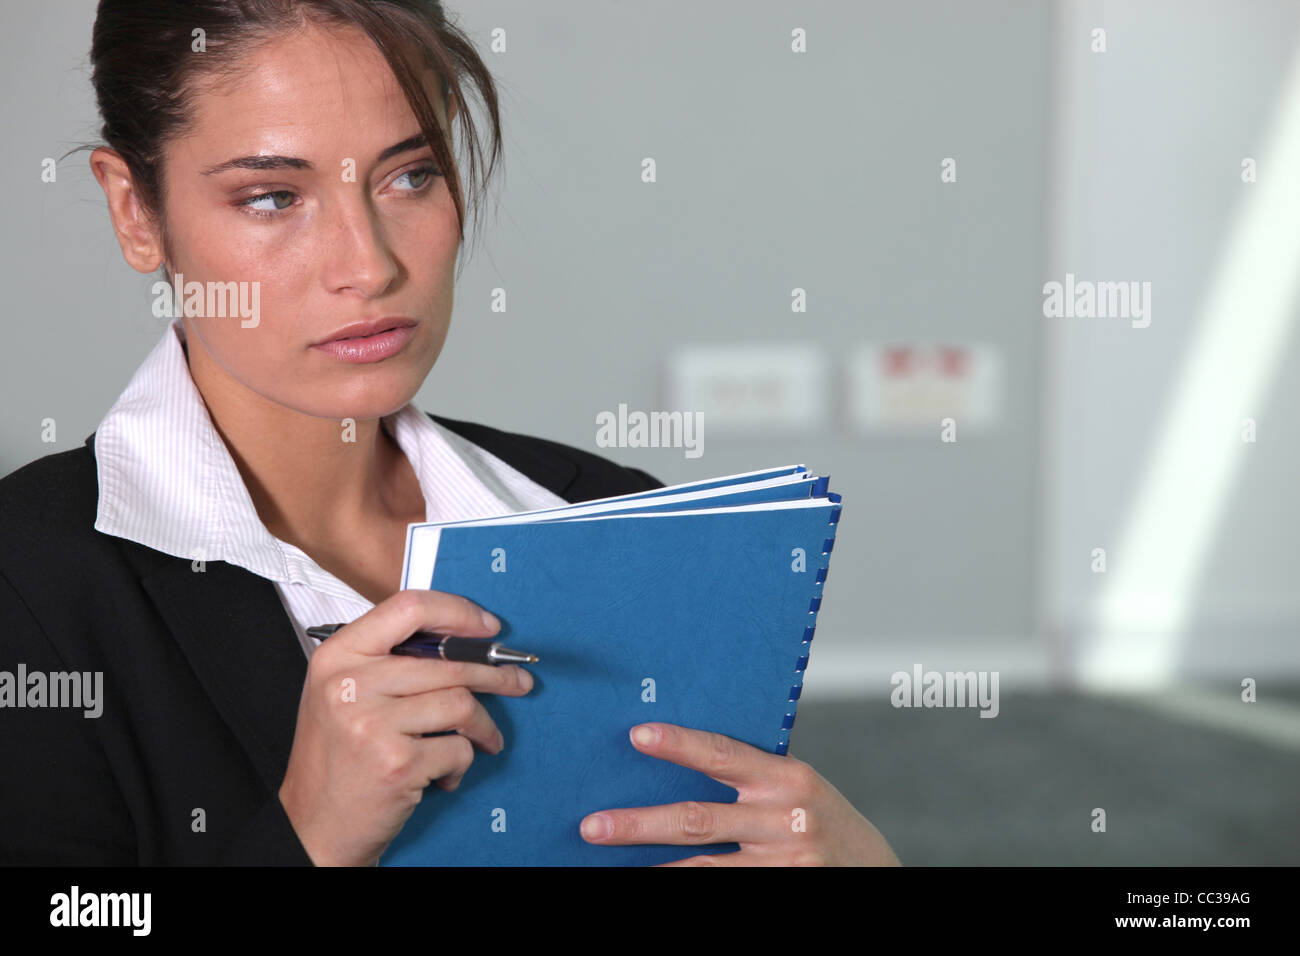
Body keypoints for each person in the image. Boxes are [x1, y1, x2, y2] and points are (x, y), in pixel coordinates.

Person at [0, 0, 899, 866]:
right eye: (273, 197)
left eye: (409, 176)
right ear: (135, 210)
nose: (369, 264)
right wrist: (309, 838)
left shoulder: (609, 514)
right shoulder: (29, 583)